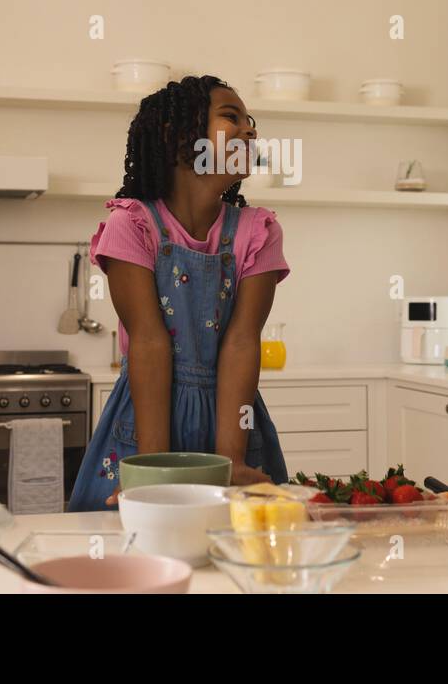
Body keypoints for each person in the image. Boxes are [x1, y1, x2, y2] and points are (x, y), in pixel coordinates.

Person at [68, 75, 290, 511]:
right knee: (139, 545)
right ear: (176, 136)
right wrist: (153, 472)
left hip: (233, 420)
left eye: (251, 121)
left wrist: (231, 458)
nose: (250, 130)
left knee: (236, 547)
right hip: (149, 420)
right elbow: (149, 342)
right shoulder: (132, 225)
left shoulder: (258, 231)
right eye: (231, 117)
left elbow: (243, 341)